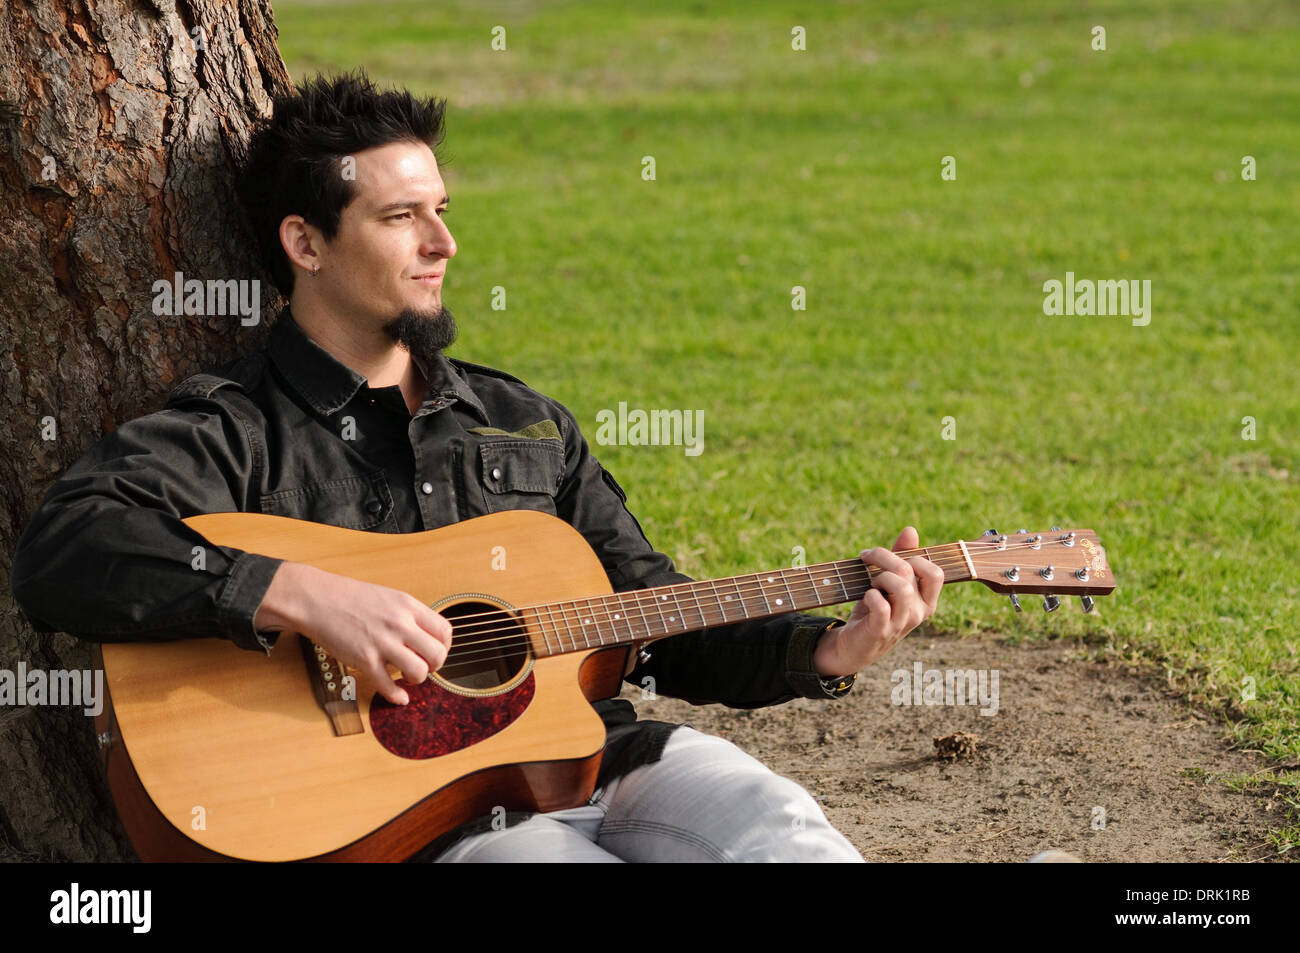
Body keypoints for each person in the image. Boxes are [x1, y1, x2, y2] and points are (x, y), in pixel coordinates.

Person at [11, 70, 943, 862]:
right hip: (425, 825)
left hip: (596, 756)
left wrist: (824, 649)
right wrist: (297, 593)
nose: (443, 245)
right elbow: (67, 547)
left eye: (443, 212)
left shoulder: (522, 424)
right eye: (402, 217)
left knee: (781, 827)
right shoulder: (240, 427)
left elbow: (654, 619)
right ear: (306, 243)